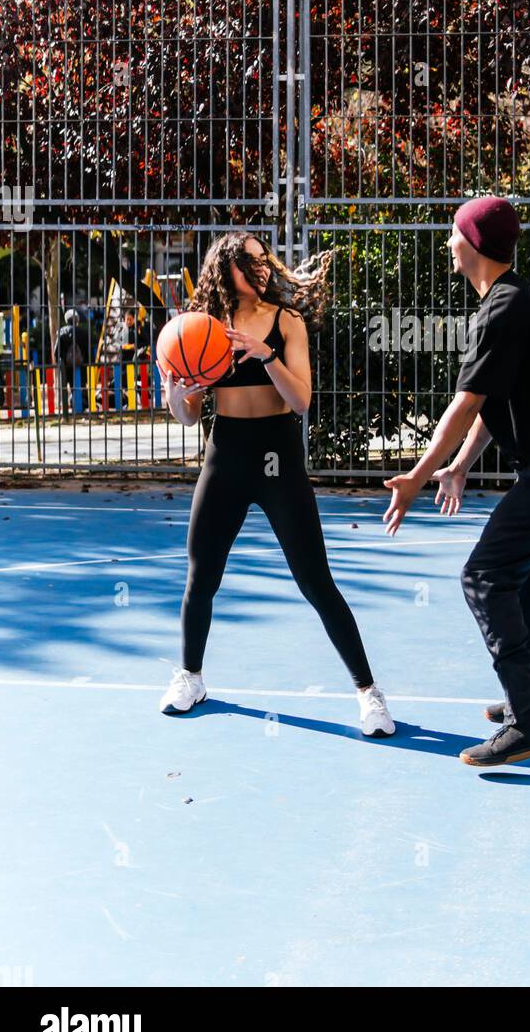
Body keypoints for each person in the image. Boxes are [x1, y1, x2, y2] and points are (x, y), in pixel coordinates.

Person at [383, 196, 530, 768]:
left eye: (454, 233)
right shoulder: (507, 306)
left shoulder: (503, 310)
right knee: (521, 581)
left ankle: (528, 723)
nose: (447, 244)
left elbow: (463, 405)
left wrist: (417, 474)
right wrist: (458, 466)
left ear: (474, 244)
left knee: (485, 577)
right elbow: (492, 404)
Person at [158, 231, 395, 738]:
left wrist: (267, 355)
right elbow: (183, 414)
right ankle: (191, 676)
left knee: (316, 582)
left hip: (278, 457)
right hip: (226, 455)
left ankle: (368, 693)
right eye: (249, 261)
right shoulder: (199, 328)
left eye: (265, 260)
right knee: (201, 577)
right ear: (225, 267)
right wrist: (182, 391)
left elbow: (304, 401)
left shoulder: (287, 322)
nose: (261, 268)